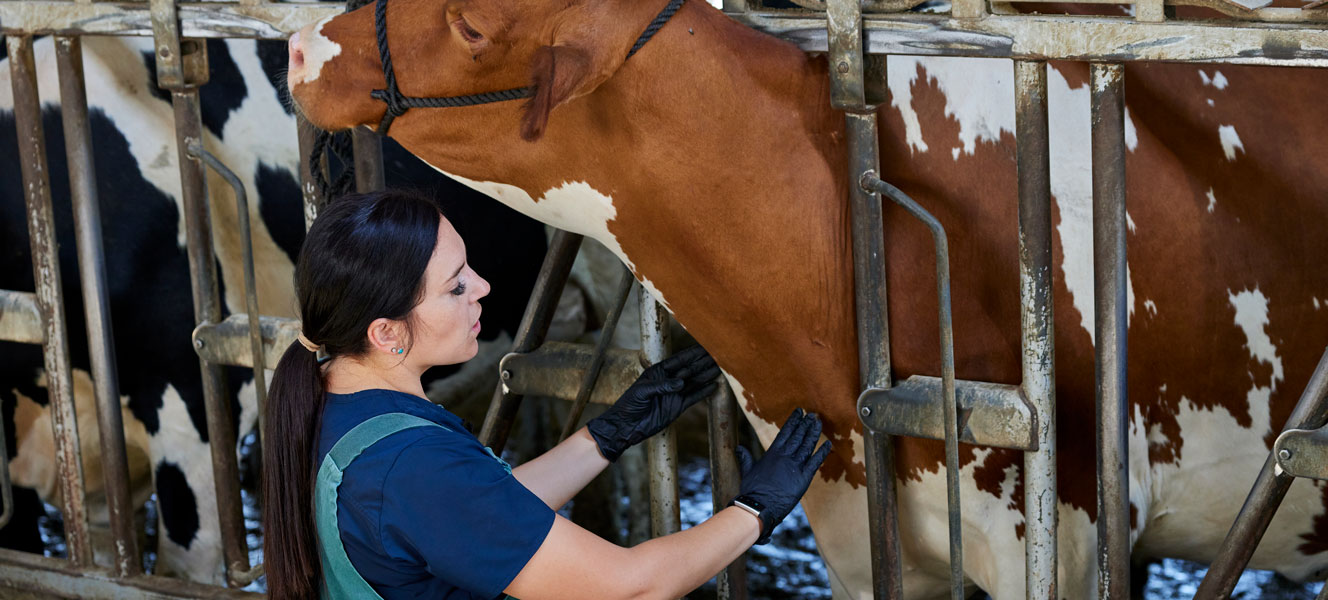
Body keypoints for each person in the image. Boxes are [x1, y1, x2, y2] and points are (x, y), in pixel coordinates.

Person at [261, 190, 831, 600]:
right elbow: (631, 588)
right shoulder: (410, 465)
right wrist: (753, 510)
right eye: (456, 285)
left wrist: (607, 436)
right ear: (385, 333)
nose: (482, 288)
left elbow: (480, 514)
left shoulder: (335, 400)